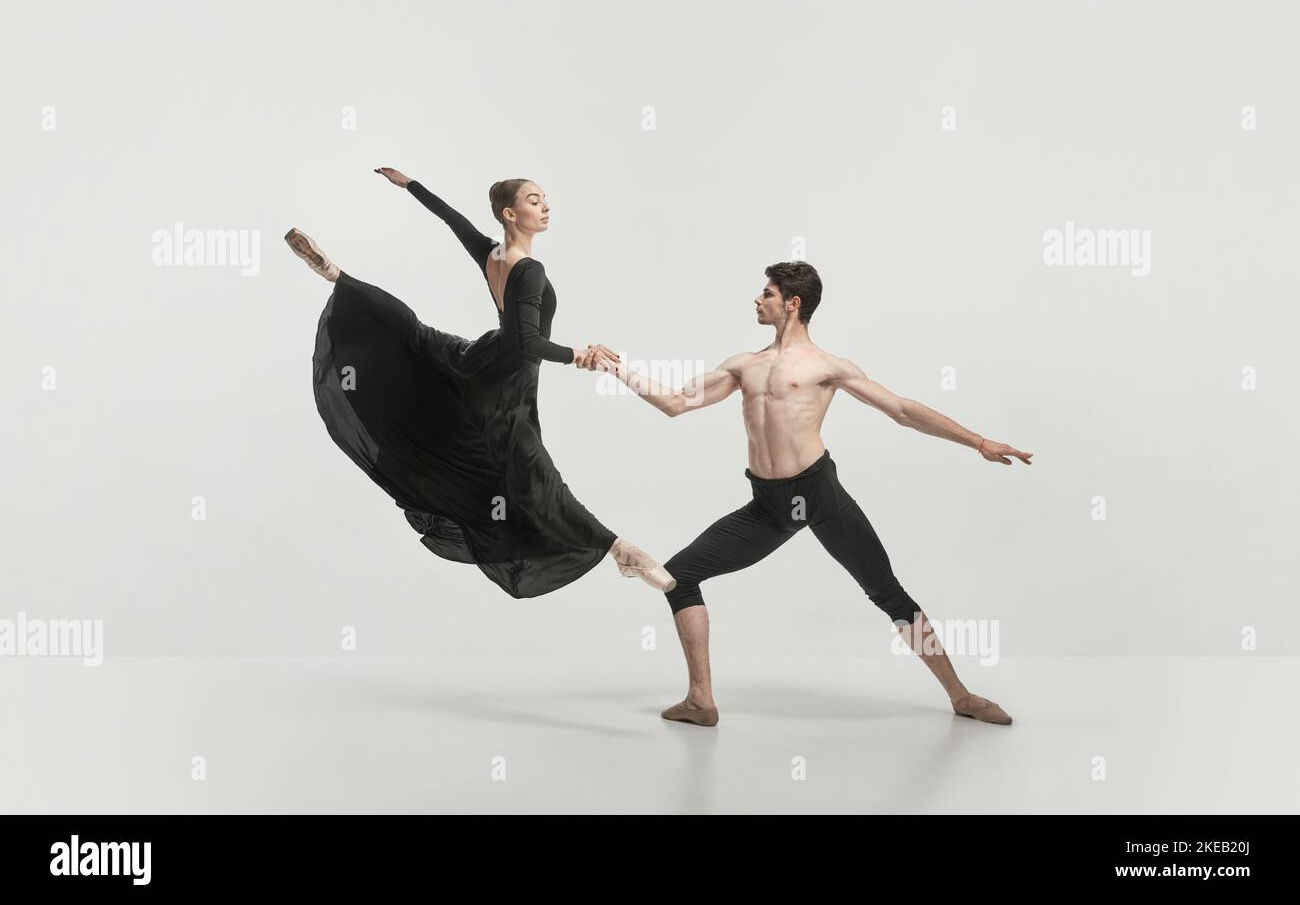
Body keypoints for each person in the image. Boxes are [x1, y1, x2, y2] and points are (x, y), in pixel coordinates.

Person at [583, 261, 1032, 725]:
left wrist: (978, 442)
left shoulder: (826, 367)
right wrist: (616, 368)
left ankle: (960, 695)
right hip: (767, 505)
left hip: (818, 494)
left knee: (888, 593)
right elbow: (675, 404)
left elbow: (900, 409)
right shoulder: (743, 366)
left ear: (792, 304)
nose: (758, 300)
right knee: (679, 575)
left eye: (768, 294)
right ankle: (701, 700)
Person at [283, 168, 675, 599]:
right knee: (537, 481)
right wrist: (578, 354)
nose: (545, 206)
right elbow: (525, 341)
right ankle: (623, 551)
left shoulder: (492, 255)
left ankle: (336, 274)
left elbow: (453, 220)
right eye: (533, 199)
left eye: (544, 198)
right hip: (504, 387)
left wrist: (410, 185)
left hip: (474, 361)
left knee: (415, 335)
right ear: (510, 214)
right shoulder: (530, 271)